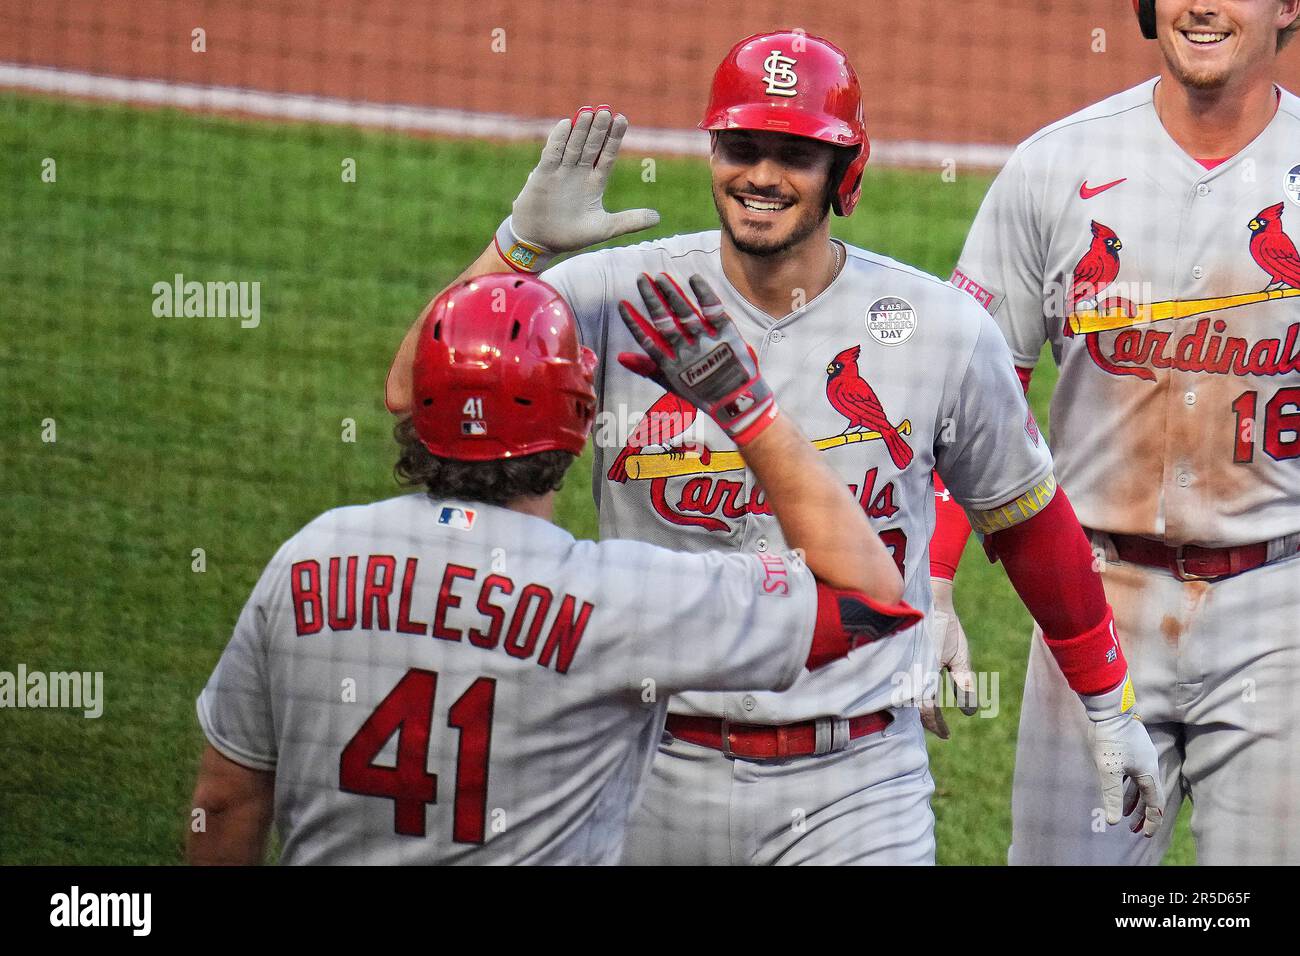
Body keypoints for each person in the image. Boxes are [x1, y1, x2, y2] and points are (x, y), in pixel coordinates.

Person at [384, 31, 1164, 865]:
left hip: (857, 783)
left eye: (794, 154)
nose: (761, 175)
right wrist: (519, 250)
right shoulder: (618, 296)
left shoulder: (939, 328)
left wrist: (1107, 705)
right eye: (742, 147)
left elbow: (1027, 522)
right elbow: (415, 394)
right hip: (649, 764)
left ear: (844, 172)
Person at [188, 270, 918, 865]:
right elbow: (871, 596)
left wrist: (515, 244)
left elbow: (224, 800)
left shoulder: (312, 558)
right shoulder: (623, 600)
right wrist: (745, 408)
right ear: (577, 416)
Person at [942, 0, 1300, 864]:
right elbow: (968, 388)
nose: (1201, 5)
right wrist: (935, 577)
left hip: (1278, 610)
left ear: (1287, 5)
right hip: (1092, 606)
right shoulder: (1057, 166)